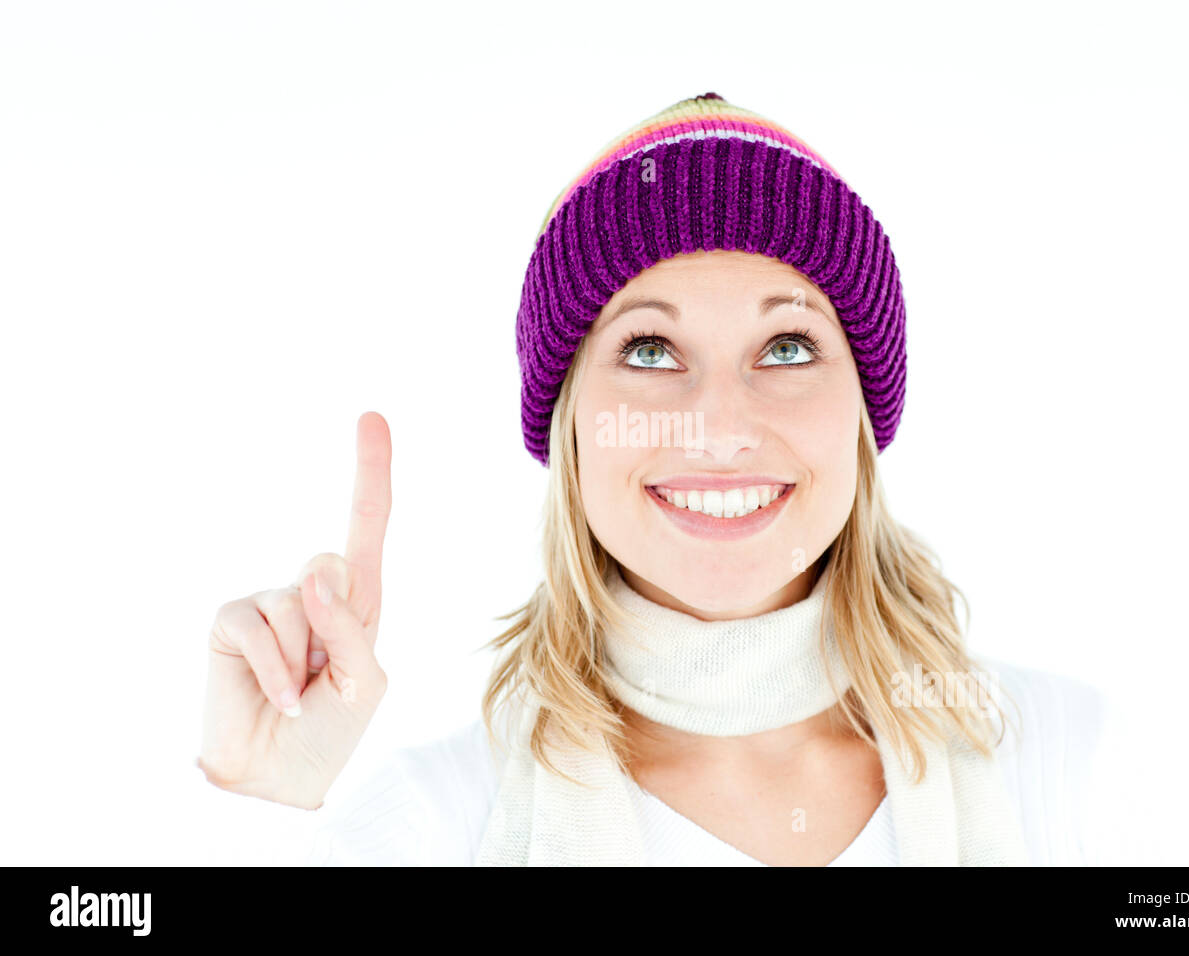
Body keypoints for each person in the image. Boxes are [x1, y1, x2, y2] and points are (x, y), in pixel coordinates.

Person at [198, 93, 1112, 866]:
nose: (718, 429)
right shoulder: (437, 822)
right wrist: (258, 807)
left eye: (787, 346)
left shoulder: (1071, 764)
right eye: (649, 349)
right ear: (571, 427)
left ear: (862, 415)